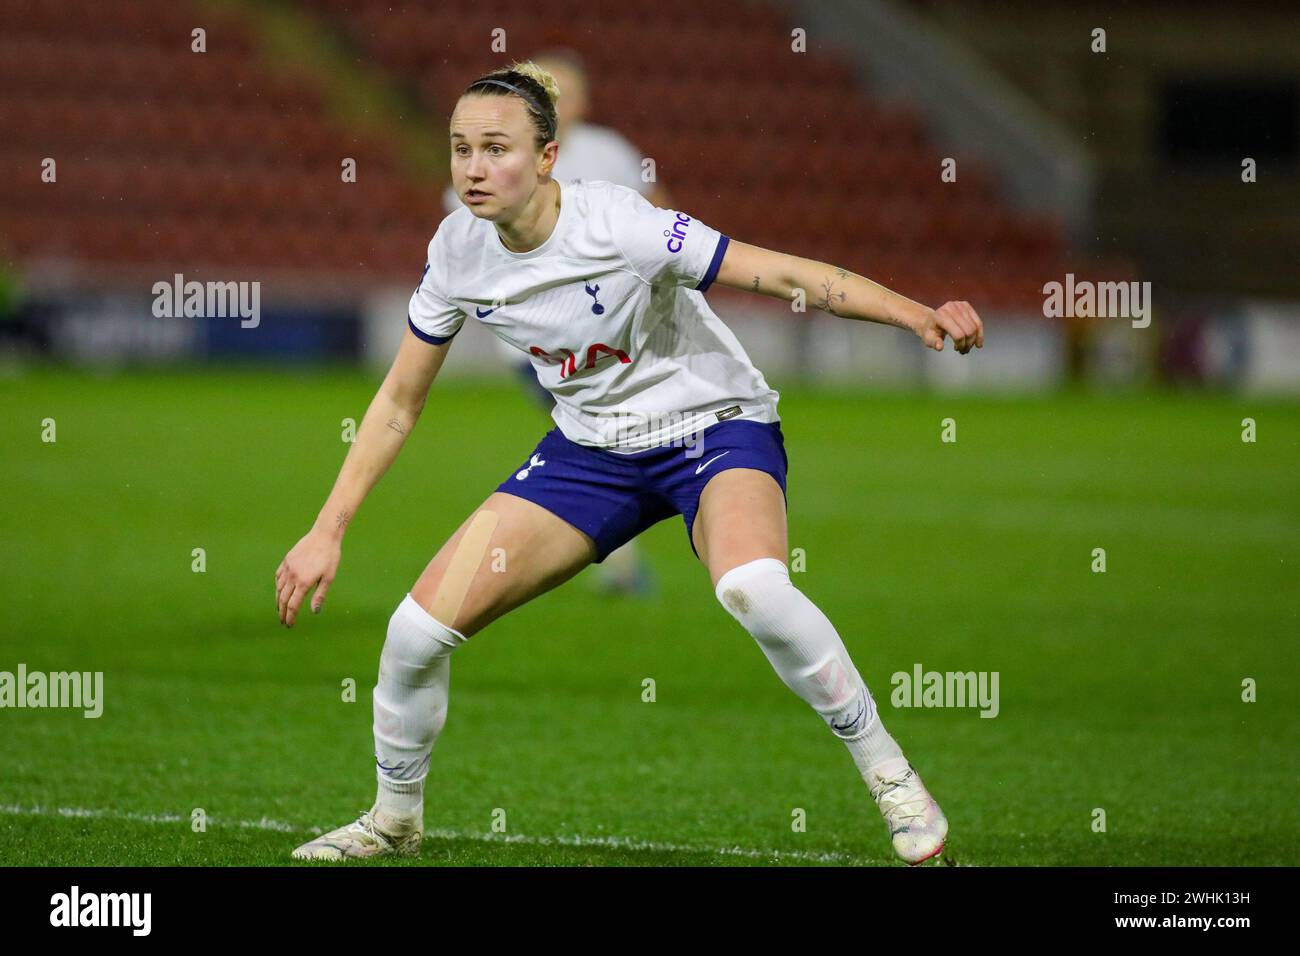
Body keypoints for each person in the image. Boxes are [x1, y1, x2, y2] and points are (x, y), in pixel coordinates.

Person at [276, 60, 984, 866]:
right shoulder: (457, 252)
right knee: (413, 633)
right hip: (591, 451)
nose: (474, 168)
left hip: (713, 427)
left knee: (751, 586)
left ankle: (892, 776)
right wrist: (326, 529)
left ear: (547, 157)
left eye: (496, 149)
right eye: (460, 149)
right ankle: (394, 822)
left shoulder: (622, 224)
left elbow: (779, 272)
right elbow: (400, 401)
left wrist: (913, 313)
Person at [441, 48, 664, 598]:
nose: (557, 99)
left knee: (609, 438)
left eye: (565, 89)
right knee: (607, 437)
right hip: (540, 346)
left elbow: (658, 213)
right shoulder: (501, 157)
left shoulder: (610, 151)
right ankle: (615, 551)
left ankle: (609, 548)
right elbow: (466, 228)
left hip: (617, 332)